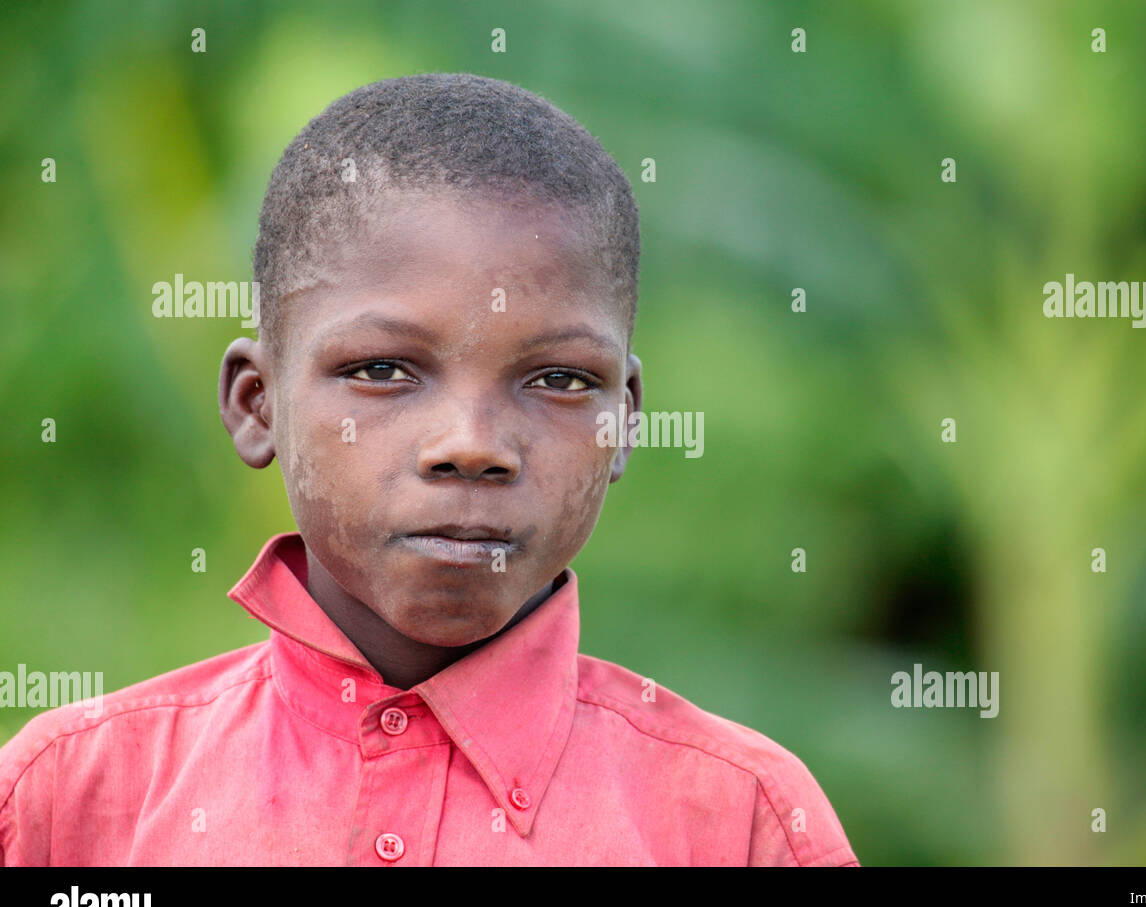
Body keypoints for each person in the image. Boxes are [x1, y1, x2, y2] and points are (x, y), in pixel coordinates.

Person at [0, 73, 858, 866]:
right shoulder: (71, 800)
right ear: (258, 404)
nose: (471, 443)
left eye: (559, 380)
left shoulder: (736, 820)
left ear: (624, 421)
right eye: (382, 370)